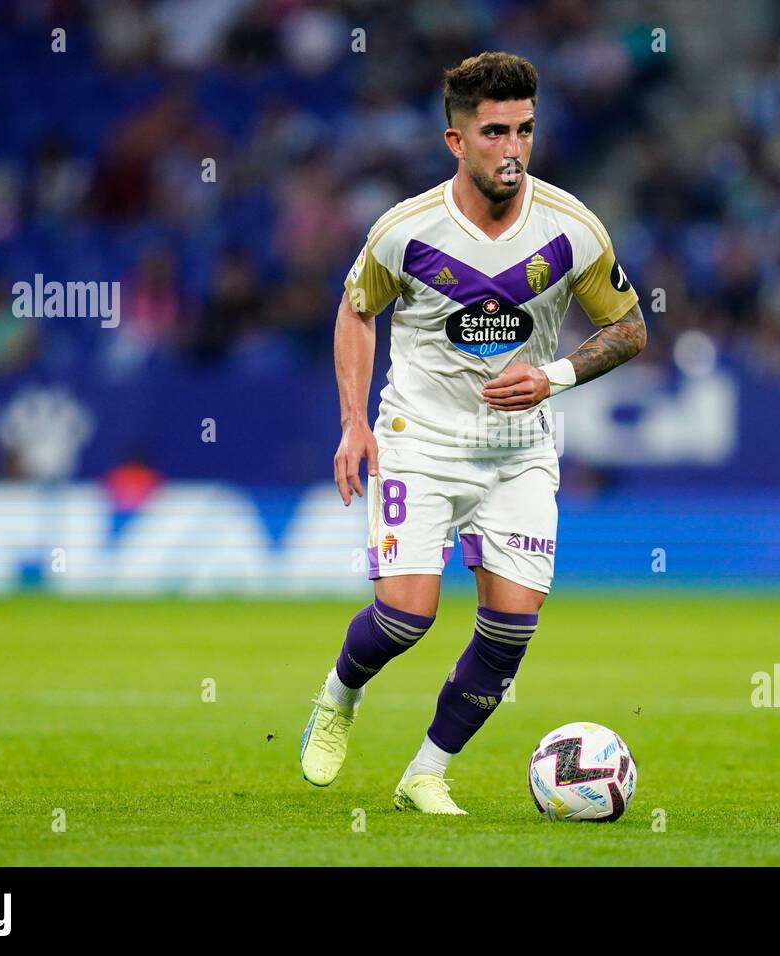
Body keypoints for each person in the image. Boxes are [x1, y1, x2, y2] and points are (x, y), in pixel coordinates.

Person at [299, 51, 646, 813]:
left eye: (524, 129)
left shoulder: (573, 228)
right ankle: (337, 697)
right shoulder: (407, 230)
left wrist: (554, 377)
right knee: (404, 618)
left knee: (511, 630)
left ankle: (425, 773)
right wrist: (354, 423)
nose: (513, 148)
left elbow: (629, 328)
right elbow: (356, 310)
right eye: (494, 132)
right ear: (456, 141)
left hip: (519, 454)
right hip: (418, 441)